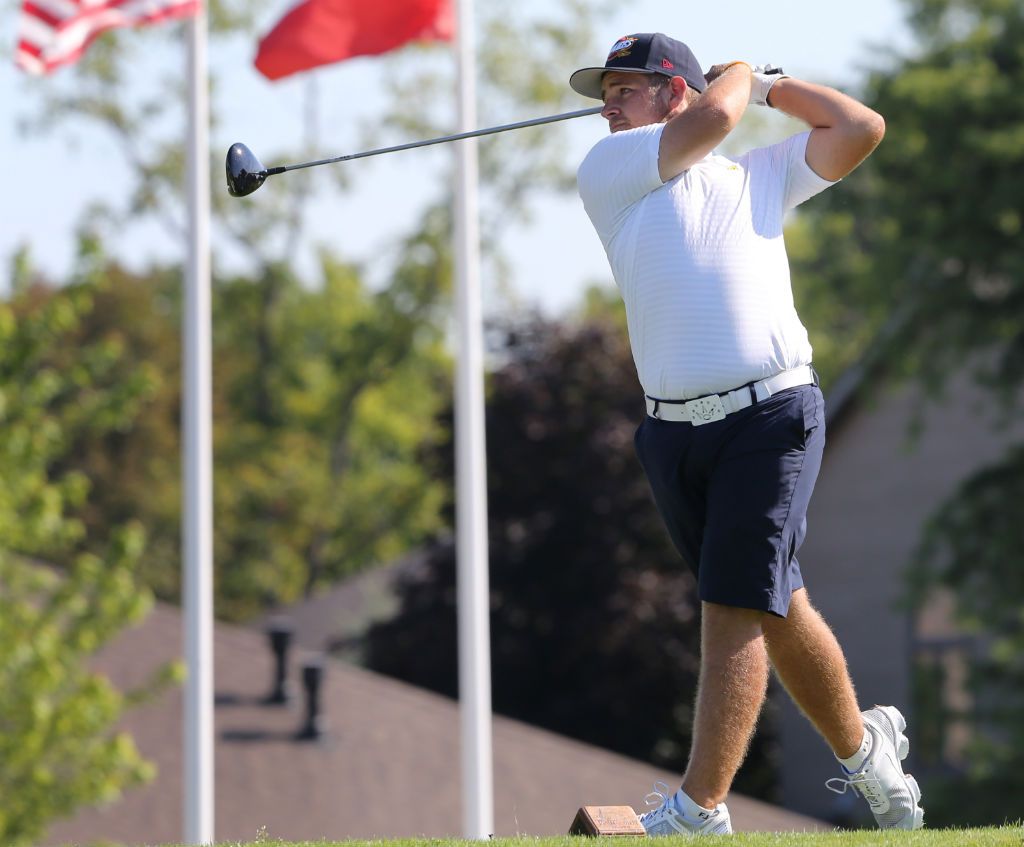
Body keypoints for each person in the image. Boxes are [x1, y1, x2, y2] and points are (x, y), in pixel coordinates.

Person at [570, 33, 923, 835]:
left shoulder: (754, 176)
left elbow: (860, 127)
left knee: (731, 602)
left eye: (624, 90)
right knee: (773, 602)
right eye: (606, 94)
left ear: (674, 91)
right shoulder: (611, 168)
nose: (608, 107)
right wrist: (735, 83)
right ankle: (867, 749)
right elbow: (713, 122)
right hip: (672, 435)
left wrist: (767, 85)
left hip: (772, 417)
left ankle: (699, 809)